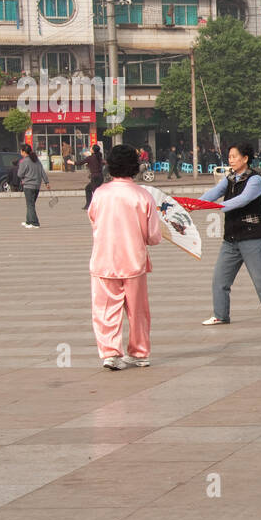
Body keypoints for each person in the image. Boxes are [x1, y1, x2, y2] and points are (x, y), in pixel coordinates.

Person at [86, 144, 163, 370]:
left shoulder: (99, 193)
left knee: (105, 309)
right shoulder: (143, 195)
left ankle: (110, 353)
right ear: (135, 167)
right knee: (138, 310)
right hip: (133, 261)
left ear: (109, 165)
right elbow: (153, 236)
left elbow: (93, 220)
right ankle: (140, 353)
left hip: (104, 260)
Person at [200, 143, 261, 326]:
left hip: (253, 236)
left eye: (234, 157)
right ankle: (221, 315)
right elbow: (214, 192)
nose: (231, 160)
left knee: (259, 277)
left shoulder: (255, 180)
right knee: (220, 279)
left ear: (245, 159)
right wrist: (194, 204)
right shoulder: (229, 178)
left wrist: (217, 207)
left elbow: (243, 200)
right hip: (231, 238)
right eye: (229, 157)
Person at [16, 144, 50, 228]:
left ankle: (35, 223)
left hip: (28, 186)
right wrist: (46, 182)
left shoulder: (24, 161)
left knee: (30, 204)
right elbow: (42, 172)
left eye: (21, 150)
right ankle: (28, 221)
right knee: (31, 204)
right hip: (37, 186)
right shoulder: (36, 160)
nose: (20, 152)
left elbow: (19, 174)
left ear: (24, 152)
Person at [83, 144, 104, 209]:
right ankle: (89, 205)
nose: (90, 149)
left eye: (91, 148)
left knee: (94, 191)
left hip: (95, 177)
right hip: (100, 177)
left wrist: (72, 162)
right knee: (89, 188)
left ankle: (95, 205)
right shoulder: (98, 157)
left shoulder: (91, 158)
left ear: (93, 150)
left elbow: (80, 162)